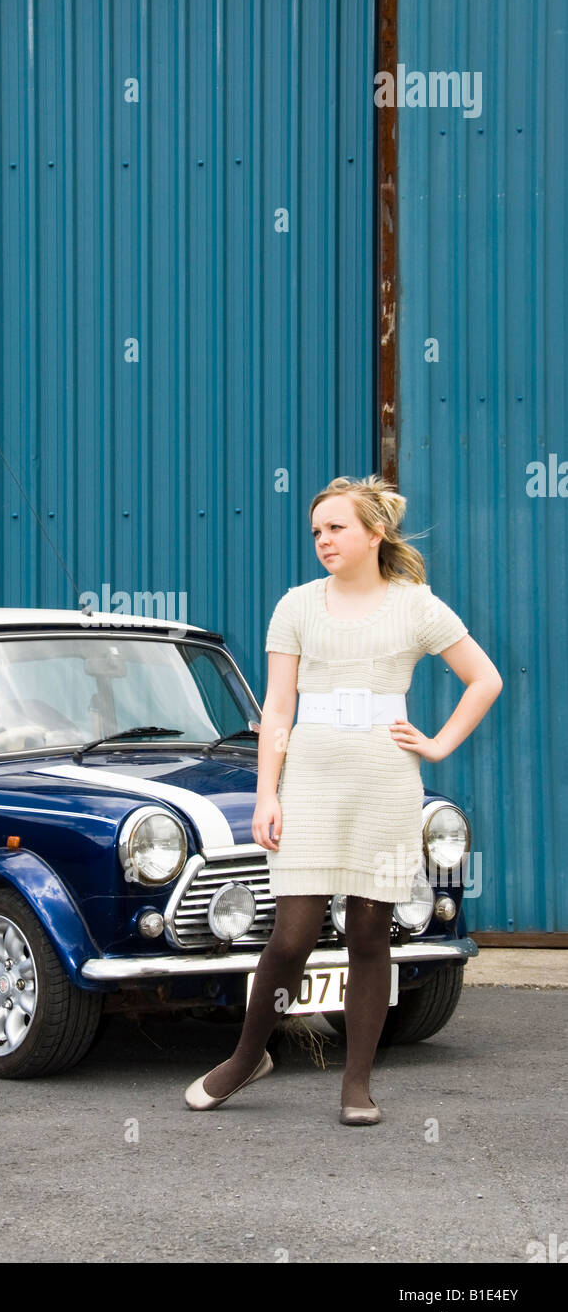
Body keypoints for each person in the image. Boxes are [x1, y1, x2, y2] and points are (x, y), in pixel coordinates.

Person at [184, 474, 502, 1124]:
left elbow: (485, 678)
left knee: (368, 934)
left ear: (374, 533)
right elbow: (277, 708)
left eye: (337, 528)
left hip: (386, 786)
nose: (324, 540)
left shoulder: (416, 606)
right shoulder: (297, 606)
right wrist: (267, 792)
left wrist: (438, 744)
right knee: (291, 935)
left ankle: (356, 1084)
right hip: (313, 784)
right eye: (317, 531)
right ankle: (247, 1058)